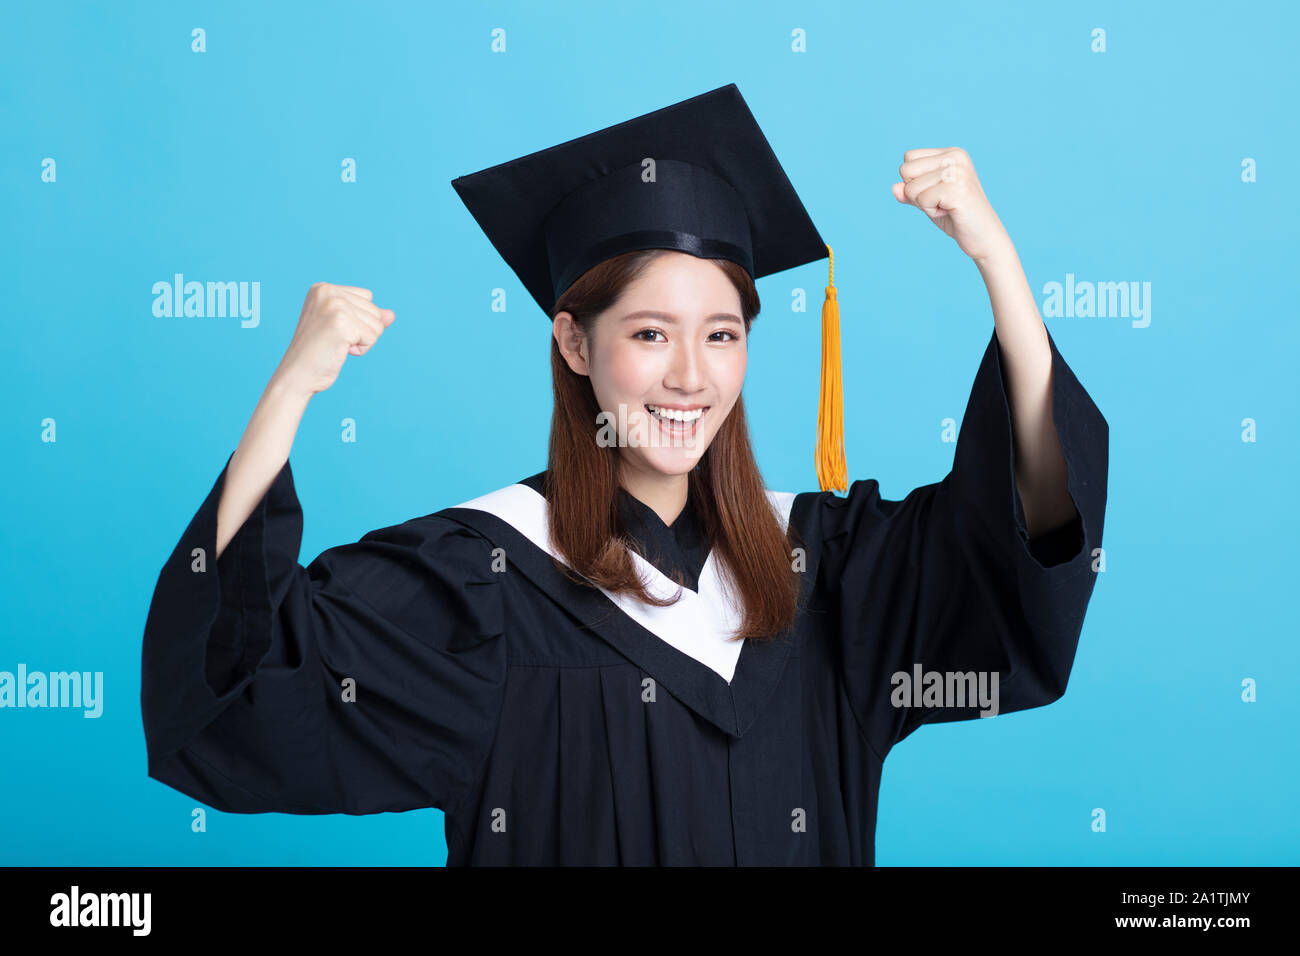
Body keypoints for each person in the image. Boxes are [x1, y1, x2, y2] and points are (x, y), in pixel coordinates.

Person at [140, 83, 1108, 865]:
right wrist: (290, 391)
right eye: (650, 333)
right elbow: (237, 687)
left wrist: (999, 267)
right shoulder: (479, 583)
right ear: (573, 342)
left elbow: (1012, 565)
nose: (691, 375)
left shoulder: (832, 573)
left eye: (721, 335)